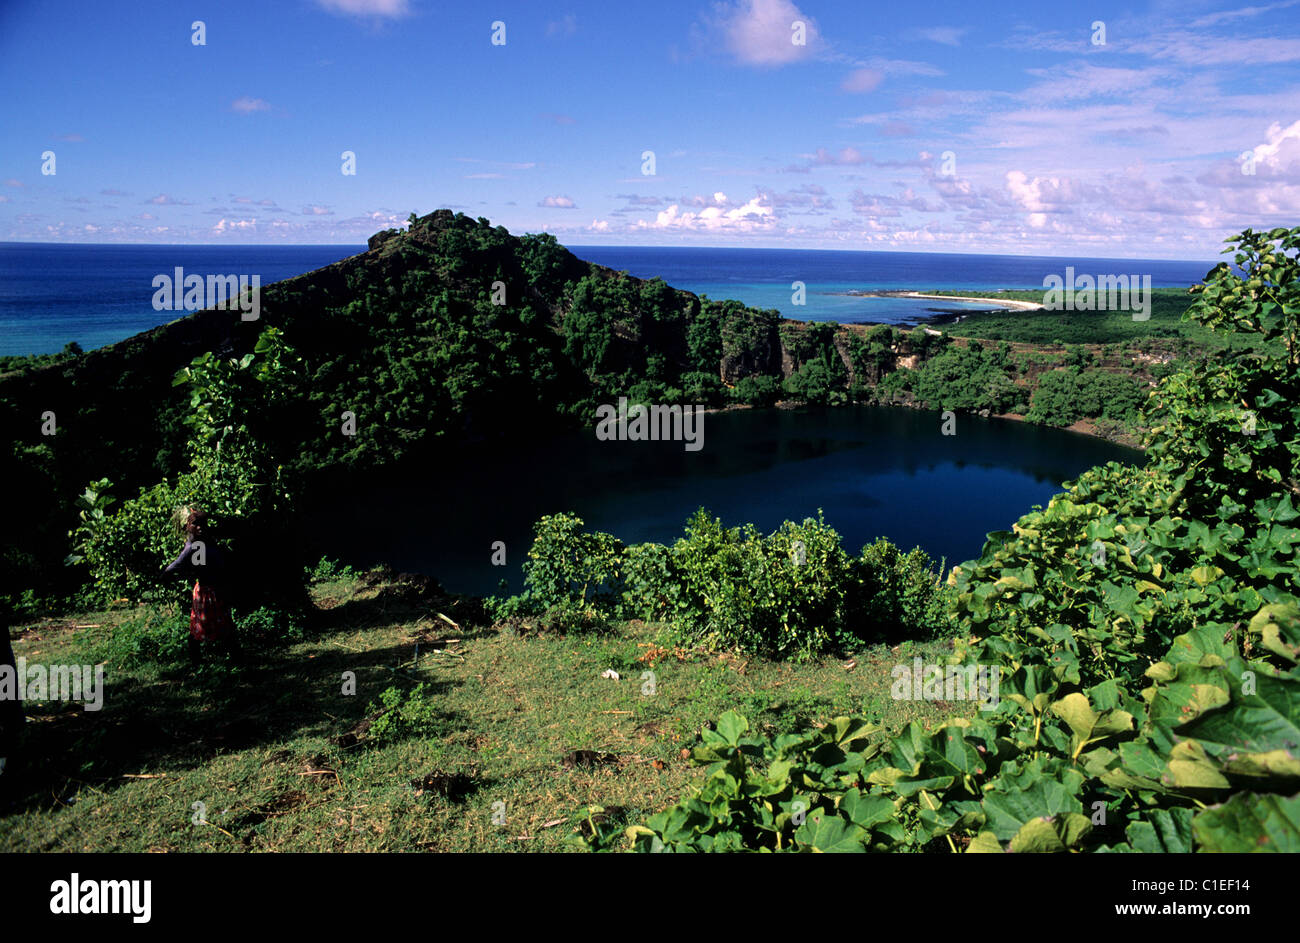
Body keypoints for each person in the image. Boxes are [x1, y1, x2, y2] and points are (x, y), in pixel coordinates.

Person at [164, 508, 242, 665]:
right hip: (208, 591)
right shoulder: (195, 545)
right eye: (195, 524)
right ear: (187, 526)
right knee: (208, 626)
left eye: (203, 524)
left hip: (215, 589)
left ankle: (231, 658)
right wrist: (165, 574)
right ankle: (201, 660)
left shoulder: (204, 540)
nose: (200, 527)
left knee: (220, 624)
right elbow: (180, 564)